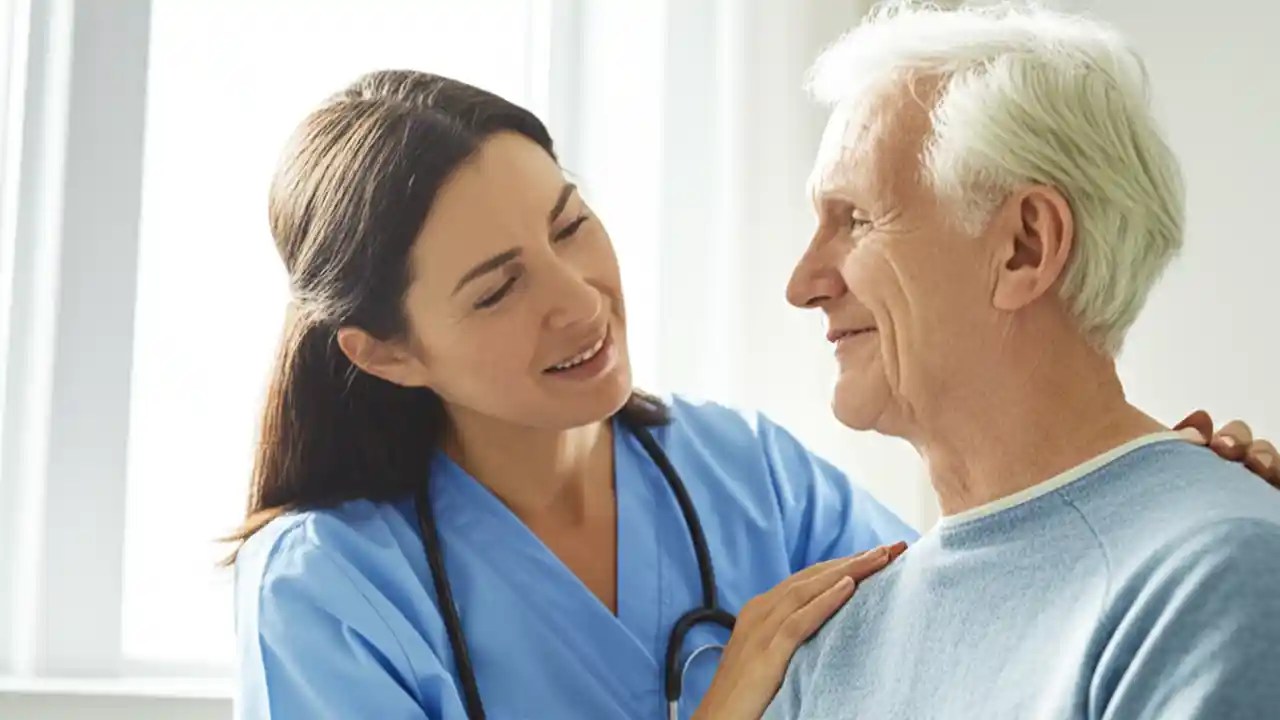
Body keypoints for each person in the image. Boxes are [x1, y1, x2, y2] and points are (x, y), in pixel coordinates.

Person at [229, 70, 1275, 720]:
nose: (577, 299)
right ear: (386, 354)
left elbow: (973, 622)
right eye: (498, 289)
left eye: (568, 225)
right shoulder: (328, 588)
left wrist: (1148, 491)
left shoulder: (743, 478)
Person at [766, 5, 1280, 719]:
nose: (802, 285)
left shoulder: (1218, 579)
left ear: (1024, 248)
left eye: (855, 219)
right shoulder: (833, 644)